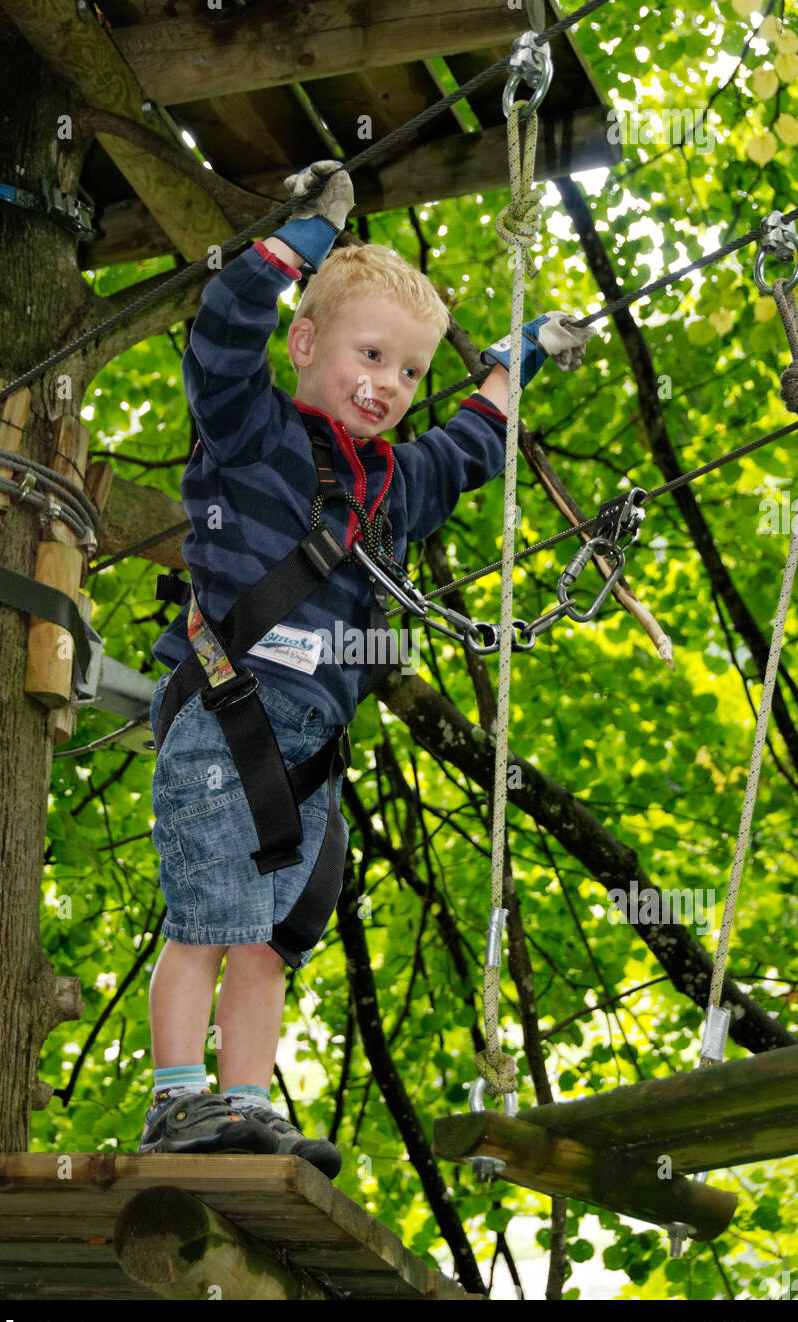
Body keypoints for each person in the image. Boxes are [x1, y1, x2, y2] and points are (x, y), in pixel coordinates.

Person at [138, 161, 597, 1174]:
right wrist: (297, 243)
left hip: (307, 747)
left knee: (268, 941)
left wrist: (518, 360)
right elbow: (220, 341)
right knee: (207, 918)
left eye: (407, 371)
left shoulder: (397, 479)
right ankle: (176, 1102)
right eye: (370, 355)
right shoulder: (250, 434)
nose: (385, 385)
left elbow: (475, 442)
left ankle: (245, 1107)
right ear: (305, 345)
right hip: (224, 711)